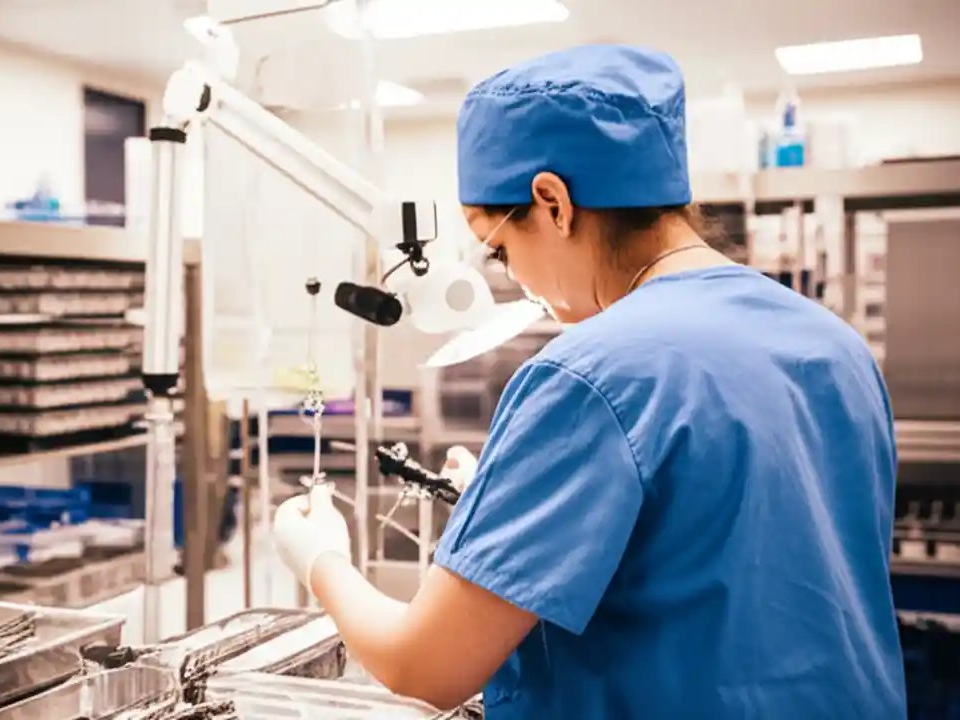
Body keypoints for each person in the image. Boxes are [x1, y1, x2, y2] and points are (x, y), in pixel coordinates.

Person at [272, 44, 906, 718]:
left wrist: (321, 559)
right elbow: (727, 552)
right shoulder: (832, 344)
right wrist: (515, 507)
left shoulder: (590, 374)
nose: (512, 276)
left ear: (552, 202)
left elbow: (421, 665)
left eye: (500, 247)